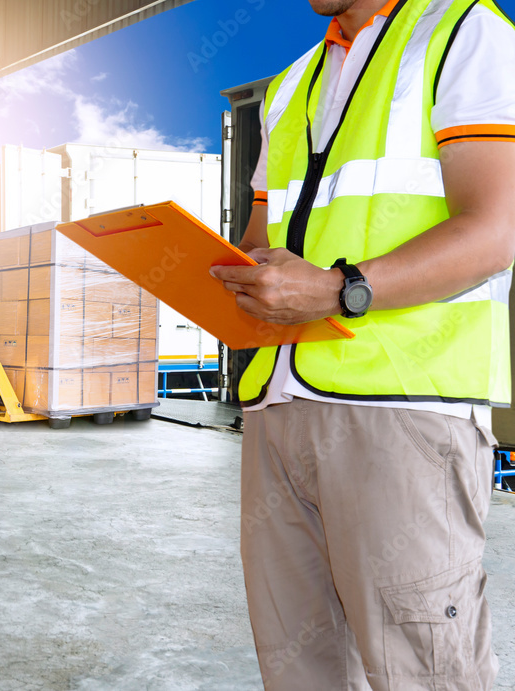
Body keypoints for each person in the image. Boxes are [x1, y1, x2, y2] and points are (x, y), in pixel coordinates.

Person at [210, 0, 515, 688]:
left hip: (403, 406)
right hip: (278, 407)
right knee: (299, 668)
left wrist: (338, 290)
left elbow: (496, 231)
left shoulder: (463, 34)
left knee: (421, 669)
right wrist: (217, 277)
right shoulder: (293, 83)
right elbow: (260, 242)